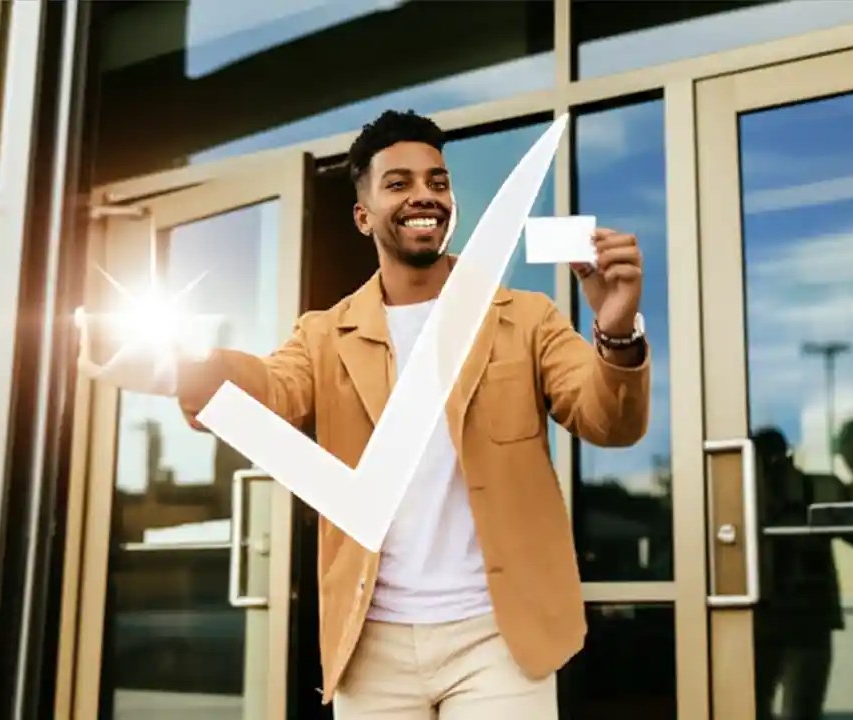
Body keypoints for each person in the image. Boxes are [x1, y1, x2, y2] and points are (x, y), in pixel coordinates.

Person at [82, 109, 651, 718]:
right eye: (399, 183)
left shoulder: (525, 316)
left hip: (498, 637)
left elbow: (609, 423)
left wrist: (617, 331)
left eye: (437, 181)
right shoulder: (325, 335)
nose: (423, 196)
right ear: (363, 215)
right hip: (371, 642)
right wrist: (190, 364)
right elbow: (270, 390)